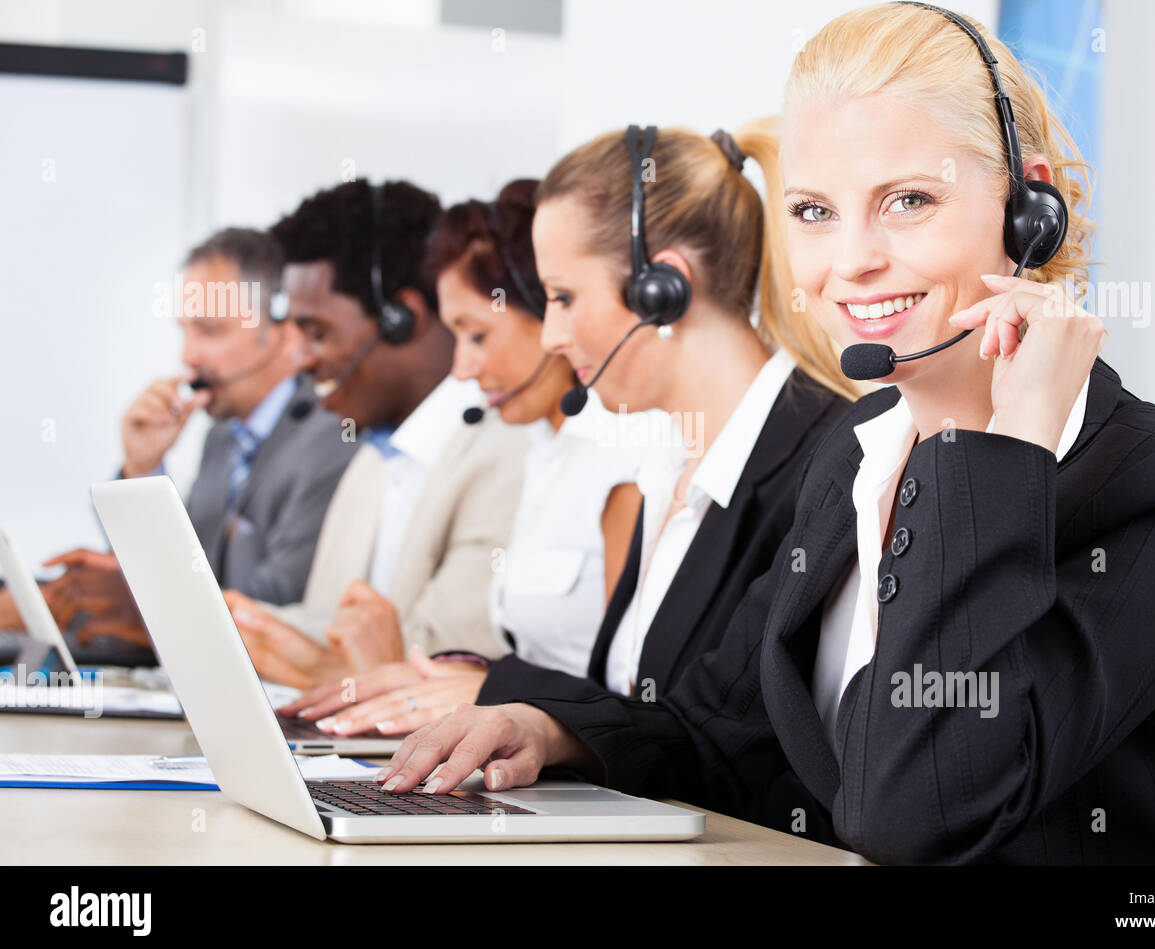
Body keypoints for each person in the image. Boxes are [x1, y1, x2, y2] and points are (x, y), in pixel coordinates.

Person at [375, 3, 1155, 866]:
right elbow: (726, 735)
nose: (850, 261)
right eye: (813, 211)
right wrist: (549, 727)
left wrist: (999, 454)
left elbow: (921, 814)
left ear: (1032, 206)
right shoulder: (860, 447)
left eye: (908, 200)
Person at [290, 123, 856, 837]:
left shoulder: (824, 459)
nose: (552, 336)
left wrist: (522, 702)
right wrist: (521, 710)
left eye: (562, 296)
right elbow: (661, 717)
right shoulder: (674, 469)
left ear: (663, 289)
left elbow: (731, 739)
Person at [223, 179, 528, 689]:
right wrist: (240, 623)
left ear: (399, 320)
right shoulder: (372, 459)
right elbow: (333, 622)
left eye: (316, 332)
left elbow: (448, 656)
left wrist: (297, 651)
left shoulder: (507, 450)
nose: (299, 359)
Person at [2, 228, 355, 647]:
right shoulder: (223, 438)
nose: (188, 356)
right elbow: (184, 575)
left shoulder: (334, 434)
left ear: (288, 330)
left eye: (210, 331)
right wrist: (143, 468)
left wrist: (82, 606)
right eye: (184, 331)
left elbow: (274, 604)